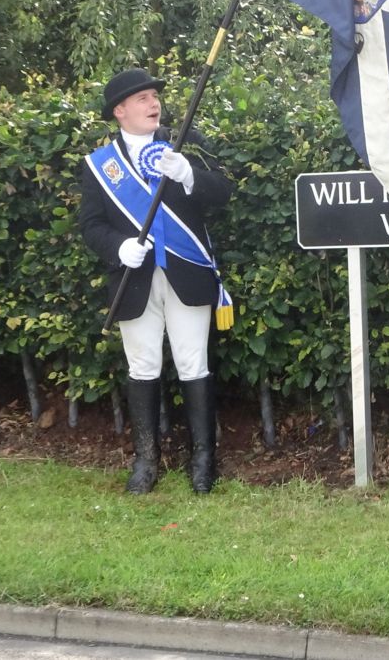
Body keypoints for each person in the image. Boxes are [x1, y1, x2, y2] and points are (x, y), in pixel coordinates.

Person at [80, 67, 233, 495]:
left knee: (193, 363)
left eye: (154, 97)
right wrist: (118, 247)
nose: (154, 104)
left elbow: (223, 192)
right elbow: (90, 226)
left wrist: (189, 175)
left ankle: (204, 459)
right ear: (120, 111)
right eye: (143, 98)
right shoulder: (99, 166)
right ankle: (146, 460)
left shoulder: (186, 142)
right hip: (134, 279)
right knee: (143, 366)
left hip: (187, 273)